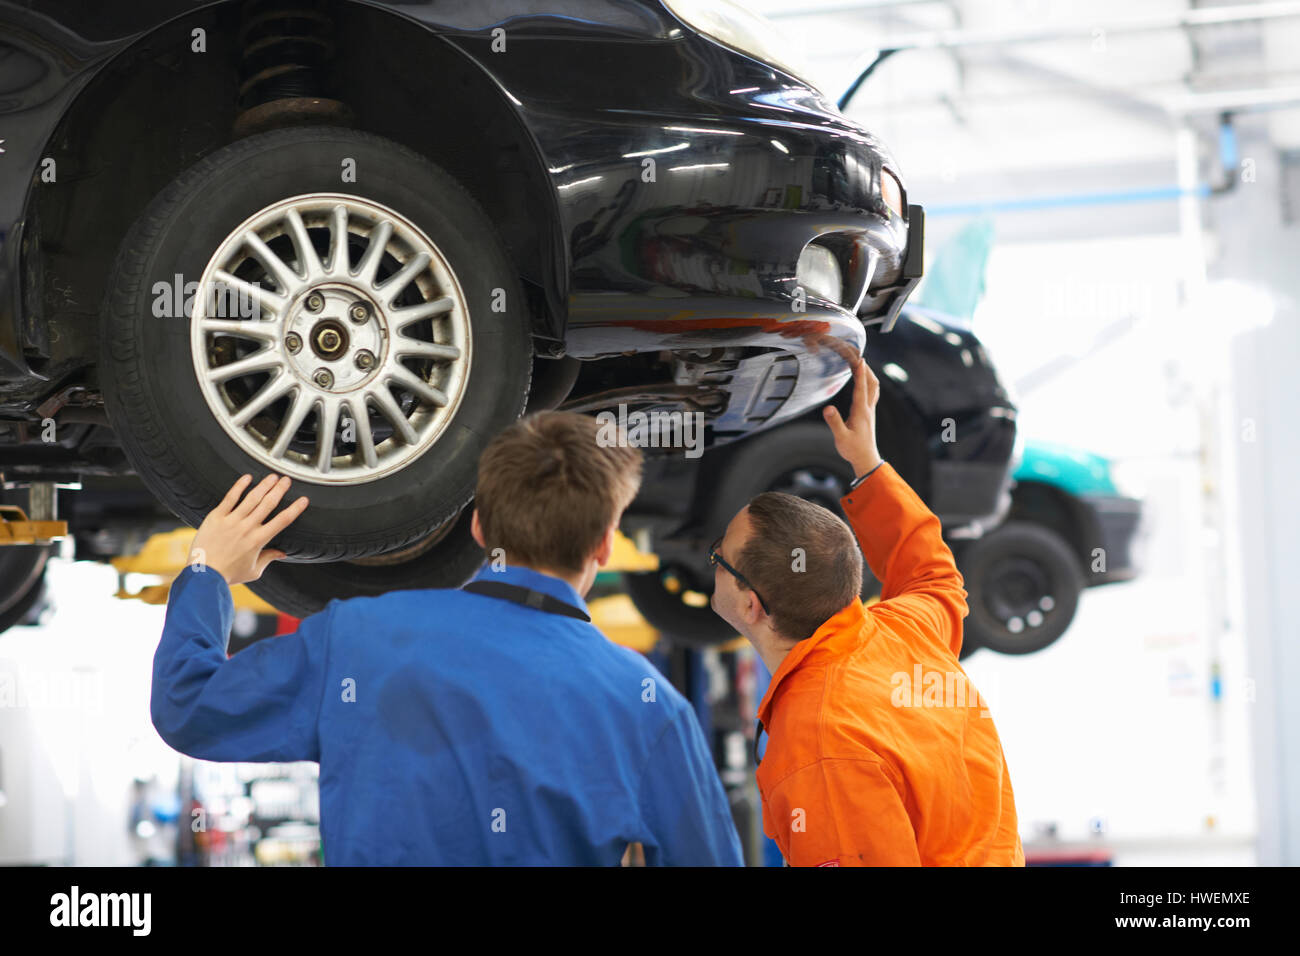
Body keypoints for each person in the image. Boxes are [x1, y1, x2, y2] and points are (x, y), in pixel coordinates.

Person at [151, 411, 743, 866]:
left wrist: (209, 572)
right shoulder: (649, 708)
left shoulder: (357, 642)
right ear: (605, 545)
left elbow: (188, 705)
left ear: (480, 525)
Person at [709, 357, 1025, 866]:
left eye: (718, 557)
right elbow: (932, 574)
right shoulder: (905, 632)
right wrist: (867, 464)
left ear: (752, 605)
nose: (713, 562)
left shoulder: (820, 746)